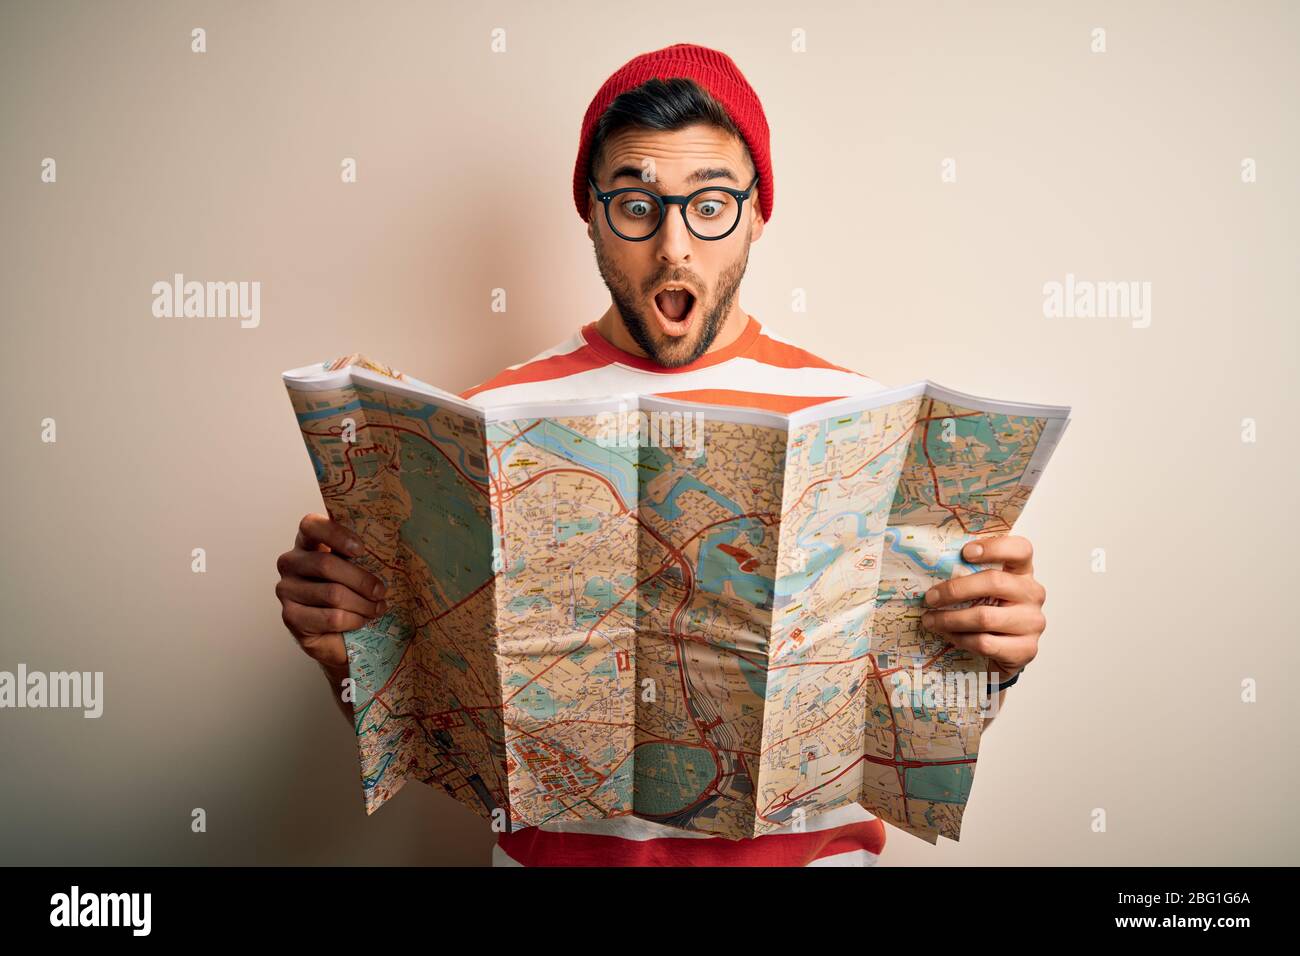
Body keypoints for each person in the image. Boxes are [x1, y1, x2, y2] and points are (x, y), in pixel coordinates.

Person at [274, 43, 1049, 867]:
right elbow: (438, 726)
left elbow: (911, 720)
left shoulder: (860, 423)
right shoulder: (490, 424)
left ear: (756, 213)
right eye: (637, 205)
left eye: (710, 204)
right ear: (591, 213)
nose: (675, 247)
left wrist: (991, 656)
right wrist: (348, 654)